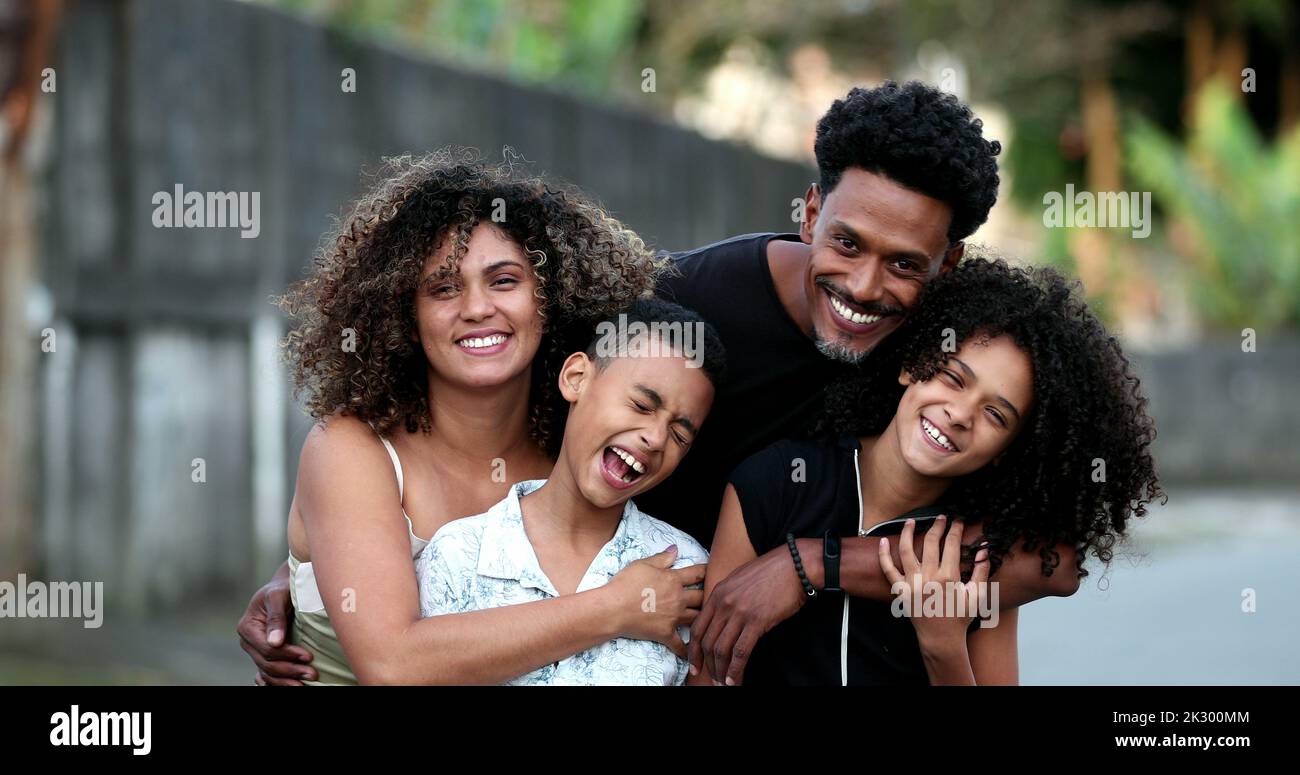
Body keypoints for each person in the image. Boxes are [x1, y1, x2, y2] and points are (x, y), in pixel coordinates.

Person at [245, 150, 708, 685]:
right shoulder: (350, 450)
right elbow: (392, 665)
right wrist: (613, 608)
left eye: (504, 281)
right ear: (405, 315)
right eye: (443, 288)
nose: (476, 307)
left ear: (549, 297)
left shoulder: (581, 452)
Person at [694, 259, 1163, 685]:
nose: (960, 413)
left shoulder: (985, 555)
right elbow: (707, 675)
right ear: (912, 365)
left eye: (997, 415)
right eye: (954, 378)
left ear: (1009, 450)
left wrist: (942, 644)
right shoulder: (777, 481)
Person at [416, 298, 725, 684]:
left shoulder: (686, 571)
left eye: (680, 434)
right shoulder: (459, 554)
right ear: (576, 378)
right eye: (642, 405)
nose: (656, 437)